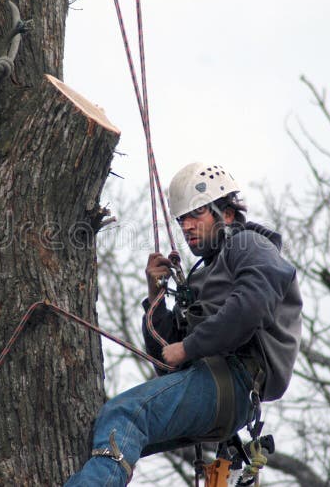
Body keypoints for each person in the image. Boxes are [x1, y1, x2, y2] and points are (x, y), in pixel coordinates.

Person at [65, 162, 302, 486]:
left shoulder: (249, 246)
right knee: (106, 431)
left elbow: (250, 306)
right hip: (216, 387)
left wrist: (189, 347)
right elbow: (169, 363)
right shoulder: (206, 275)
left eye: (197, 214)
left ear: (227, 215)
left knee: (127, 415)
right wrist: (156, 298)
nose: (187, 226)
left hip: (234, 381)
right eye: (182, 220)